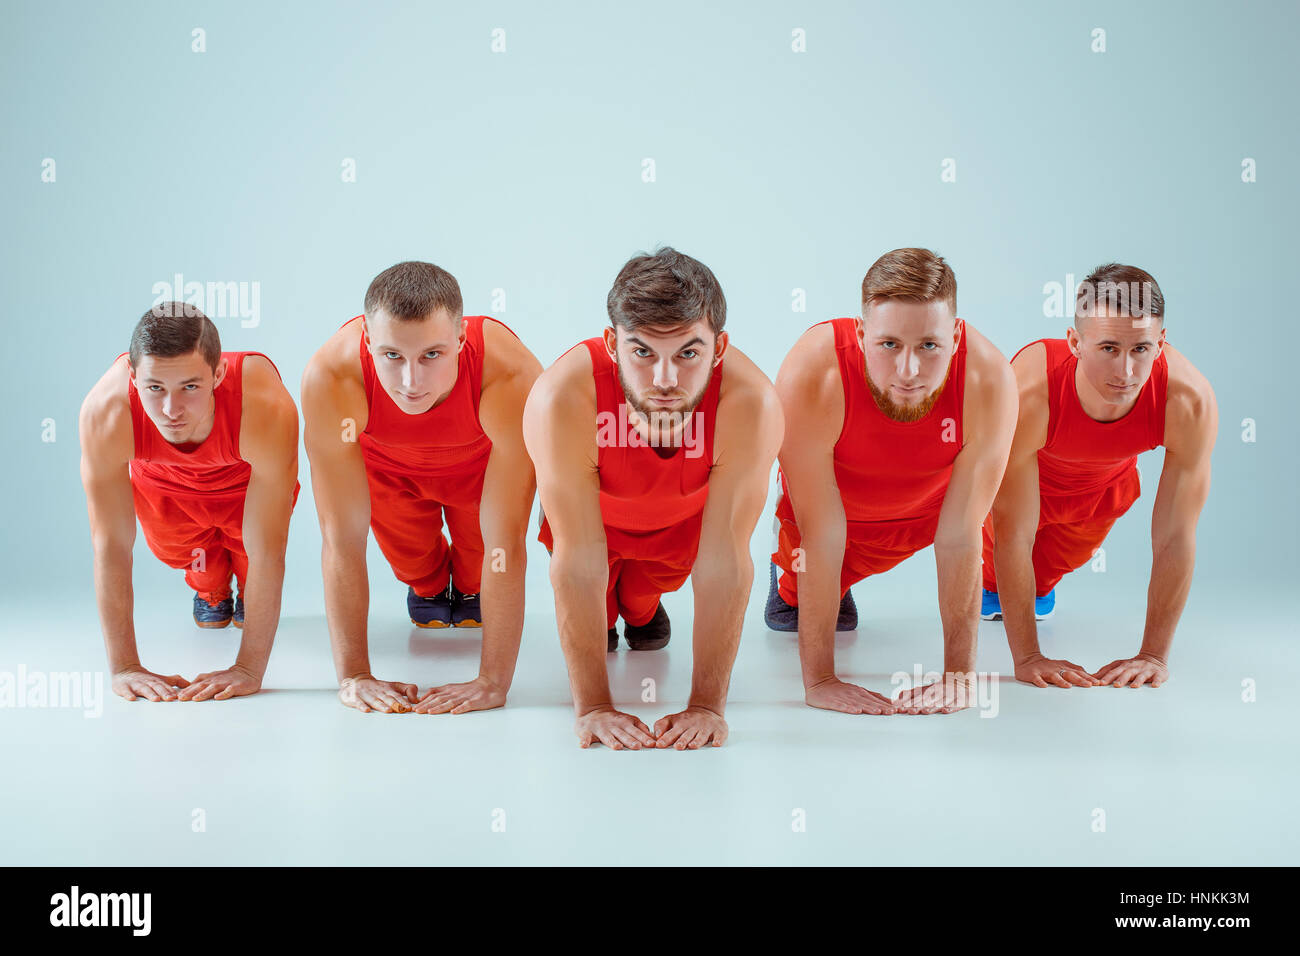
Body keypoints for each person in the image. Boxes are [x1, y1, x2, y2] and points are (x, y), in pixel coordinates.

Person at [524, 247, 782, 749]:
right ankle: (613, 617)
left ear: (720, 348)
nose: (665, 380)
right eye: (642, 352)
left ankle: (641, 613)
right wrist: (594, 706)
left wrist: (707, 705)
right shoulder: (561, 397)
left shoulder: (751, 403)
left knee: (642, 609)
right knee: (595, 611)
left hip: (679, 534)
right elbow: (577, 562)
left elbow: (726, 560)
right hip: (592, 525)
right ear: (611, 344)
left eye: (688, 353)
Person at [766, 248, 1017, 715]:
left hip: (927, 506)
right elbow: (822, 535)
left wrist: (959, 676)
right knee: (793, 607)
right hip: (839, 507)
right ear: (860, 334)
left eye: (928, 345)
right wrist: (820, 679)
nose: (908, 371)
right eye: (889, 345)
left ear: (957, 336)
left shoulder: (989, 381)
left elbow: (961, 536)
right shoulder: (813, 373)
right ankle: (786, 588)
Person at [301, 261, 542, 715]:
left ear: (461, 341)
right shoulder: (333, 377)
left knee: (480, 567)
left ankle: (466, 589)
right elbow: (342, 540)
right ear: (367, 342)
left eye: (432, 355)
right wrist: (353, 675)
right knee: (416, 567)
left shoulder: (510, 374)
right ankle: (429, 588)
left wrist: (493, 682)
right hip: (389, 473)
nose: (410, 382)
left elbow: (506, 544)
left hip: (478, 468)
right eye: (392, 356)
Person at [982, 263, 1217, 689]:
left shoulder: (1189, 401)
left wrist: (1153, 655)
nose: (1125, 372)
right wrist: (1029, 657)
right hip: (1025, 483)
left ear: (1161, 343)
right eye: (1108, 348)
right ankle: (991, 588)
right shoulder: (1029, 394)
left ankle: (1025, 590)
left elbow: (1175, 537)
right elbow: (1014, 534)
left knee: (1045, 579)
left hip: (1100, 495)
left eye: (1141, 349)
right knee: (994, 566)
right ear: (1074, 342)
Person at [79, 302, 300, 702]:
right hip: (166, 489)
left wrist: (248, 668)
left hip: (244, 485)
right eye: (155, 388)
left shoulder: (264, 406)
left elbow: (270, 549)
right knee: (196, 560)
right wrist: (124, 667)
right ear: (132, 375)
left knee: (252, 558)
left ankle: (247, 593)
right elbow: (110, 545)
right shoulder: (106, 413)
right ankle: (212, 591)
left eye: (190, 387)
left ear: (219, 374)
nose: (170, 410)